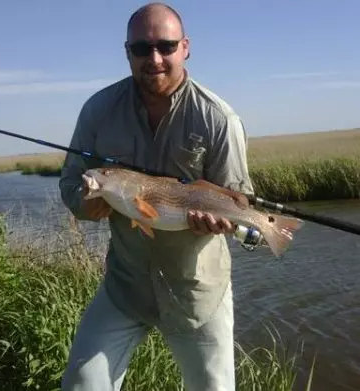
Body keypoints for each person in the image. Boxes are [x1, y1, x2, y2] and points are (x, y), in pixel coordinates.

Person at [59, 2, 254, 390]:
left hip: (196, 291)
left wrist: (219, 223)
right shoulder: (98, 110)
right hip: (125, 285)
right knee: (82, 383)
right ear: (127, 51)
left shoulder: (218, 118)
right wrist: (89, 204)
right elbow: (70, 185)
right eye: (140, 48)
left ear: (185, 48)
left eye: (165, 46)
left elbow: (239, 199)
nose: (154, 58)